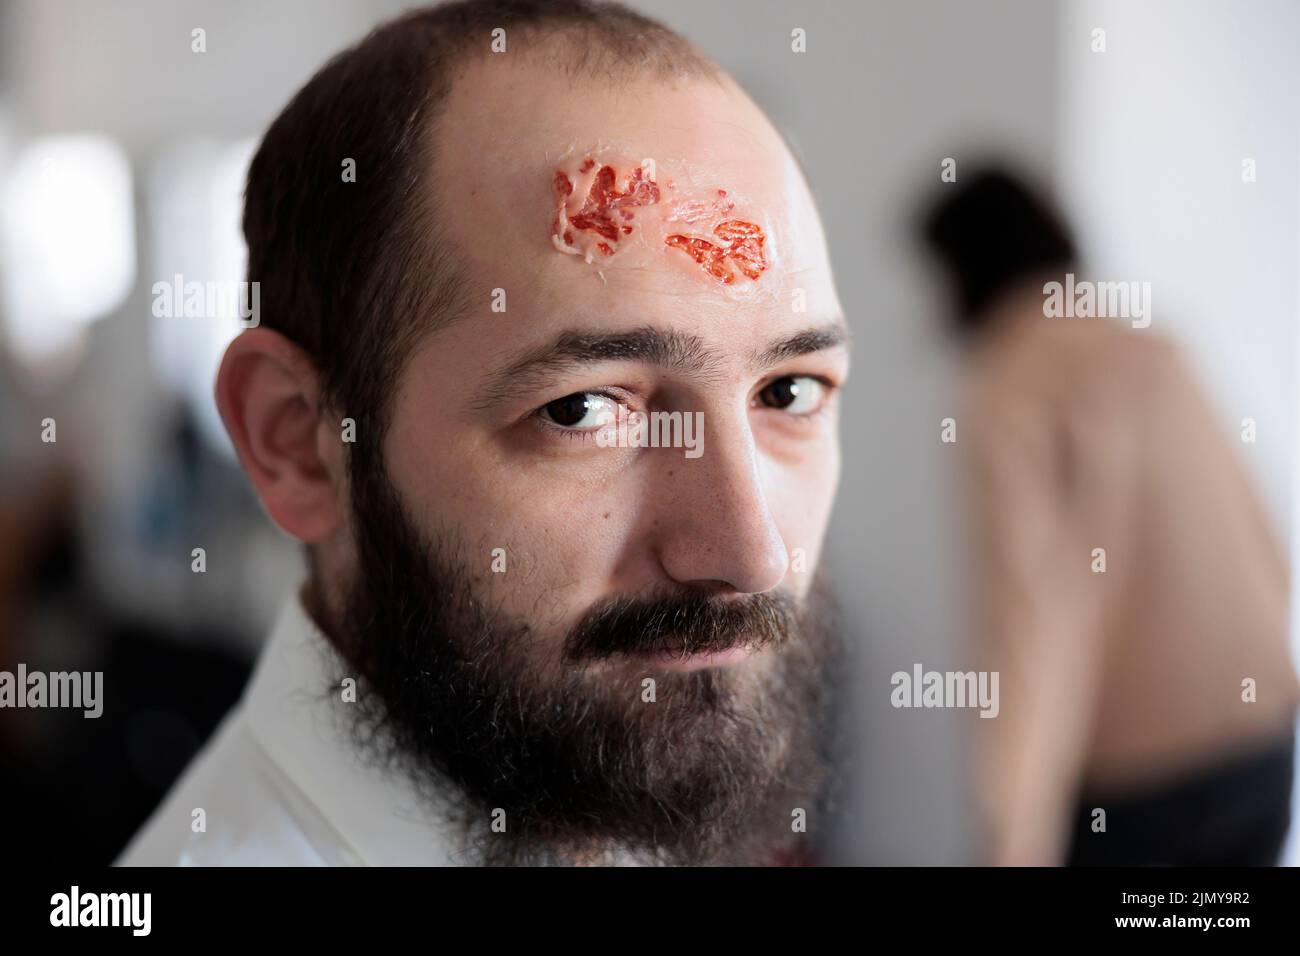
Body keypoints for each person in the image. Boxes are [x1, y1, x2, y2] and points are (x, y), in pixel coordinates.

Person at [118, 0, 851, 866]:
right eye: (582, 408)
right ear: (297, 442)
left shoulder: (584, 804)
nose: (753, 555)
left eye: (788, 389)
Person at [921, 168, 1300, 866]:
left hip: (1139, 789)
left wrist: (1013, 832)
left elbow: (1027, 619)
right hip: (1263, 745)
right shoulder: (1157, 348)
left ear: (959, 269)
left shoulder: (1008, 384)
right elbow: (1267, 548)